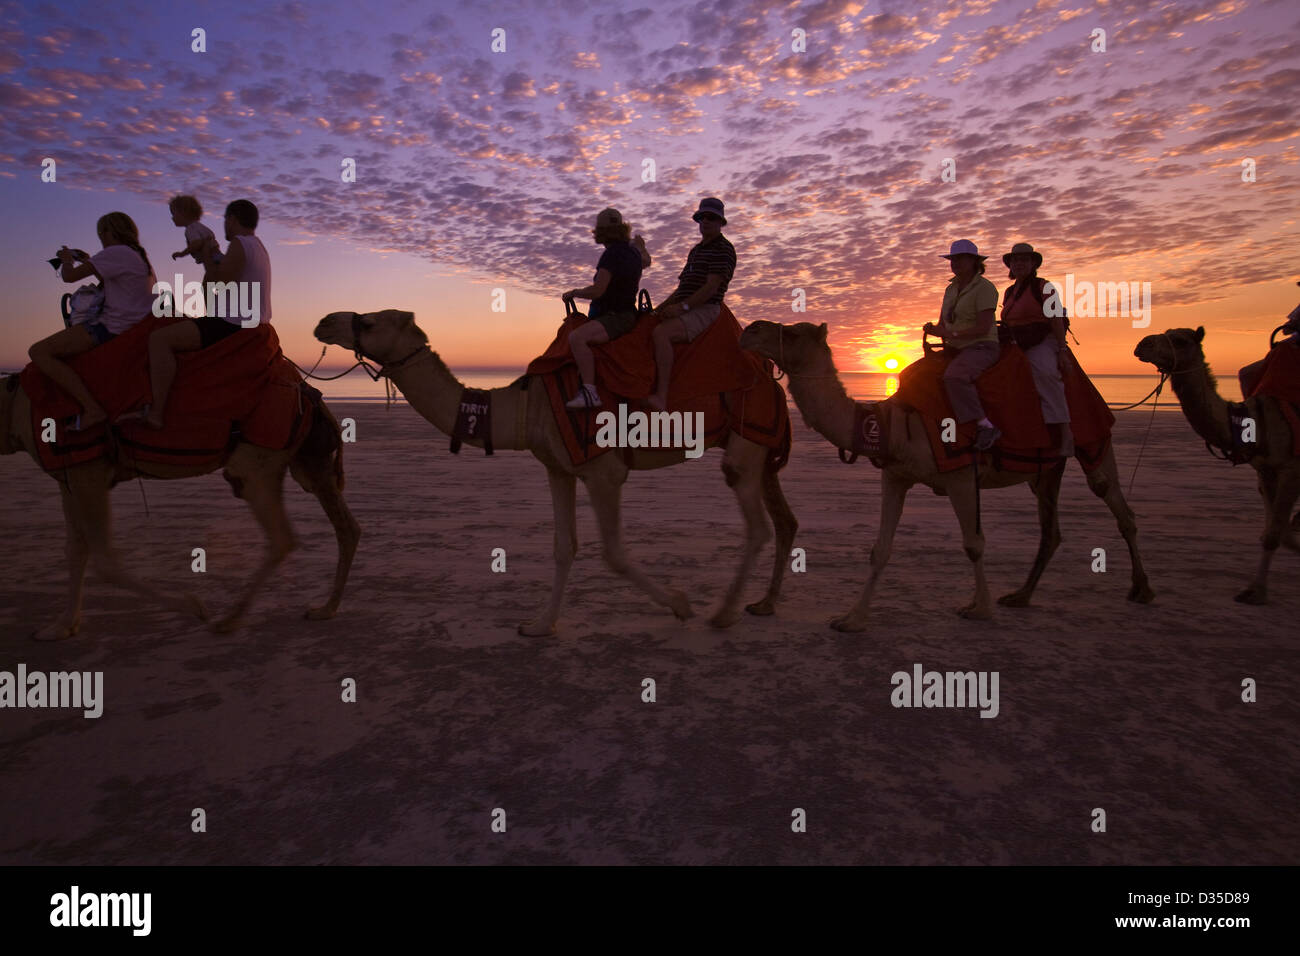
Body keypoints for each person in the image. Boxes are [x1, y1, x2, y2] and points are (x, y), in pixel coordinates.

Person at [122, 199, 271, 429]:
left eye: (225, 220)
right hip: (249, 319)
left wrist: (206, 257)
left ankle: (156, 413)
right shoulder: (258, 246)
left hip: (232, 323)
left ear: (232, 219)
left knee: (159, 339)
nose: (224, 226)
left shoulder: (240, 243)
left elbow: (219, 281)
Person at [28, 212, 157, 431]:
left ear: (109, 232)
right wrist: (88, 260)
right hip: (133, 326)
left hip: (111, 327)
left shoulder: (116, 252)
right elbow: (109, 278)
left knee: (39, 352)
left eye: (101, 233)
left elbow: (69, 277)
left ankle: (91, 409)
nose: (101, 239)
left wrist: (67, 260)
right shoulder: (138, 256)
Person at [646, 197, 736, 411]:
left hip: (705, 309)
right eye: (702, 217)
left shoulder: (724, 249)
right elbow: (682, 289)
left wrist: (683, 307)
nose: (705, 221)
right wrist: (656, 311)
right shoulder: (695, 251)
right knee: (646, 326)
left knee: (661, 334)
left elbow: (711, 287)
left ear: (720, 222)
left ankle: (661, 396)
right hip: (687, 305)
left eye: (711, 218)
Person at [562, 208, 651, 409]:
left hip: (615, 317)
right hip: (627, 314)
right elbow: (646, 261)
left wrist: (574, 292)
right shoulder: (632, 253)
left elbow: (598, 290)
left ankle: (589, 392)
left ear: (600, 232)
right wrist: (640, 246)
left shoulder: (610, 256)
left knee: (577, 338)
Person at [922, 239, 1001, 451]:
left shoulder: (985, 288)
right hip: (955, 347)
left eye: (960, 259)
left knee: (955, 377)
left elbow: (983, 328)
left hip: (981, 346)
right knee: (915, 375)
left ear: (974, 262)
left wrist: (951, 333)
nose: (955, 263)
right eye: (952, 259)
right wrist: (934, 329)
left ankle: (985, 425)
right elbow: (943, 324)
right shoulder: (950, 289)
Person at [1000, 242, 1073, 456]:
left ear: (1033, 264)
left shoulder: (1044, 287)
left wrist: (1062, 350)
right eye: (1015, 260)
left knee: (1045, 373)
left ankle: (1065, 433)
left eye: (1024, 260)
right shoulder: (1009, 292)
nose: (1019, 263)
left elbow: (1056, 318)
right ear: (1010, 265)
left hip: (1042, 338)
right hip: (1015, 340)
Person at [1238, 280, 1300, 398]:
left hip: (1293, 353)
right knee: (1246, 374)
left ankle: (1254, 409)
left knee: (1246, 374)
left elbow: (1286, 330)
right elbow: (1286, 330)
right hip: (1289, 350)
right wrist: (1294, 324)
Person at [168, 194, 222, 267]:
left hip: (213, 260)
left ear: (184, 213)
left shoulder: (190, 229)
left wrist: (182, 254)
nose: (172, 218)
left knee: (211, 277)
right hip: (218, 257)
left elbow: (197, 243)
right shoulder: (199, 226)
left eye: (174, 214)